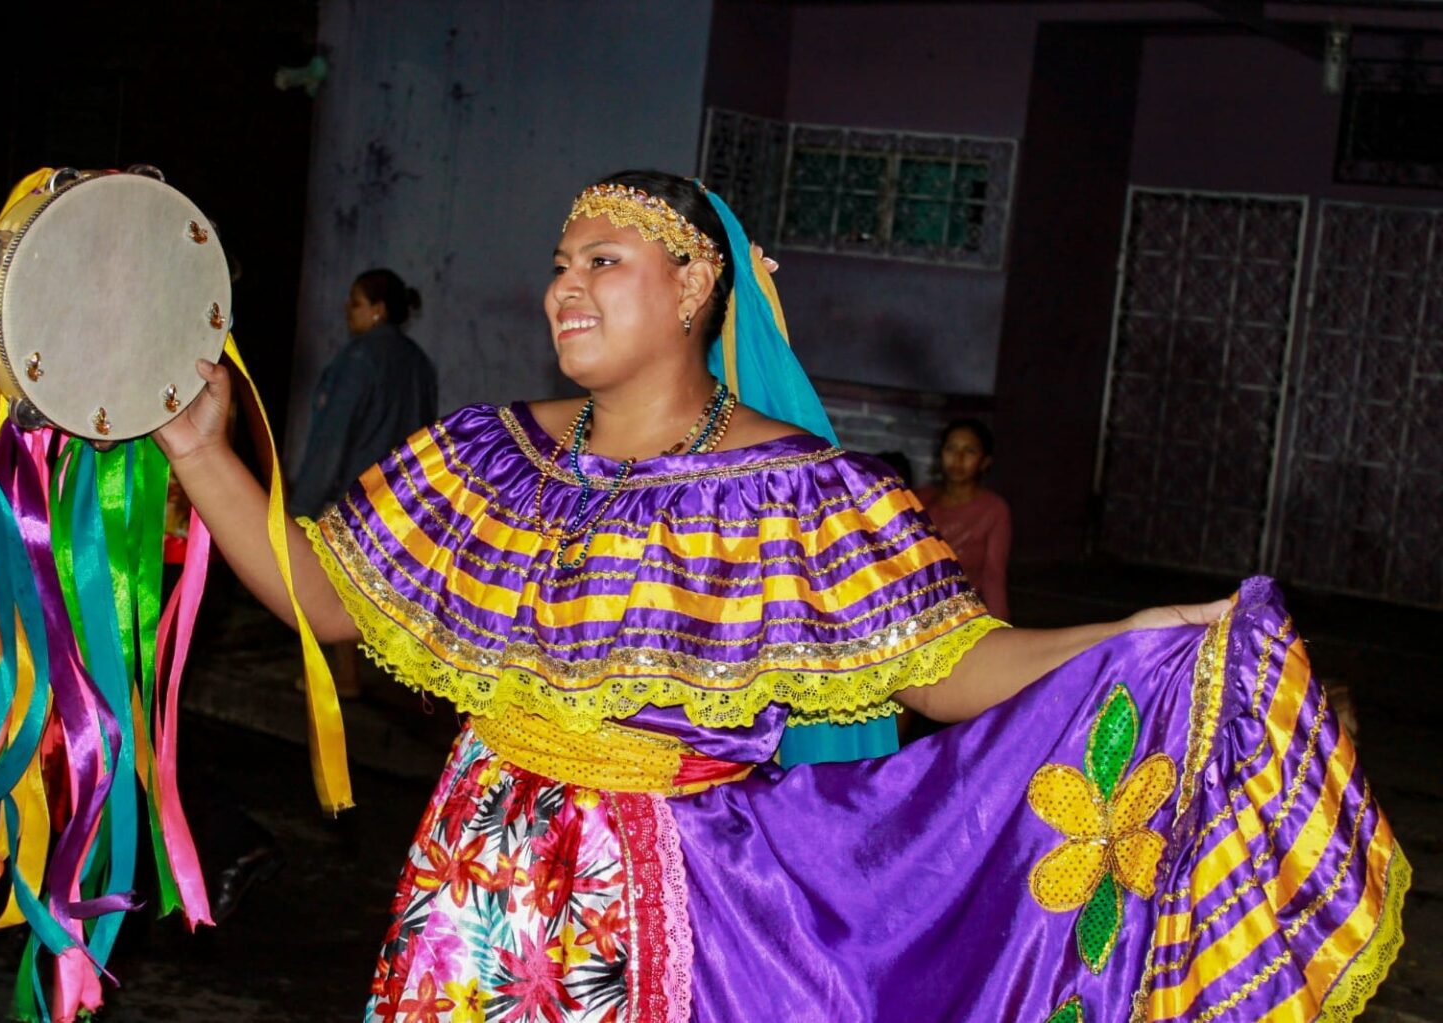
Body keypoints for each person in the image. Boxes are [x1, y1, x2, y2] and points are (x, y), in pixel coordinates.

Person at [155, 172, 1405, 1021]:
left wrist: (1120, 639)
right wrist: (204, 452)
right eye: (557, 263)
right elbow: (328, 601)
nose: (564, 287)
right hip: (474, 869)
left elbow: (949, 664)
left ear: (696, 285)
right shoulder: (488, 457)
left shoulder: (797, 491)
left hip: (680, 894)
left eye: (605, 260)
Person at [290, 268, 438, 697]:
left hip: (355, 499)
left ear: (377, 311)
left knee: (328, 589)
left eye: (355, 302)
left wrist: (304, 505)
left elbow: (332, 438)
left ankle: (338, 682)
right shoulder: (419, 364)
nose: (346, 311)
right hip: (405, 501)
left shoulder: (358, 361)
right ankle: (360, 680)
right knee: (374, 592)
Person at [917, 418, 1011, 620]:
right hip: (912, 612)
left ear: (985, 461)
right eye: (951, 448)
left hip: (961, 616)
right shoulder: (919, 500)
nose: (958, 458)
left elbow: (993, 576)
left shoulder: (993, 510)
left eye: (969, 451)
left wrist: (1001, 630)